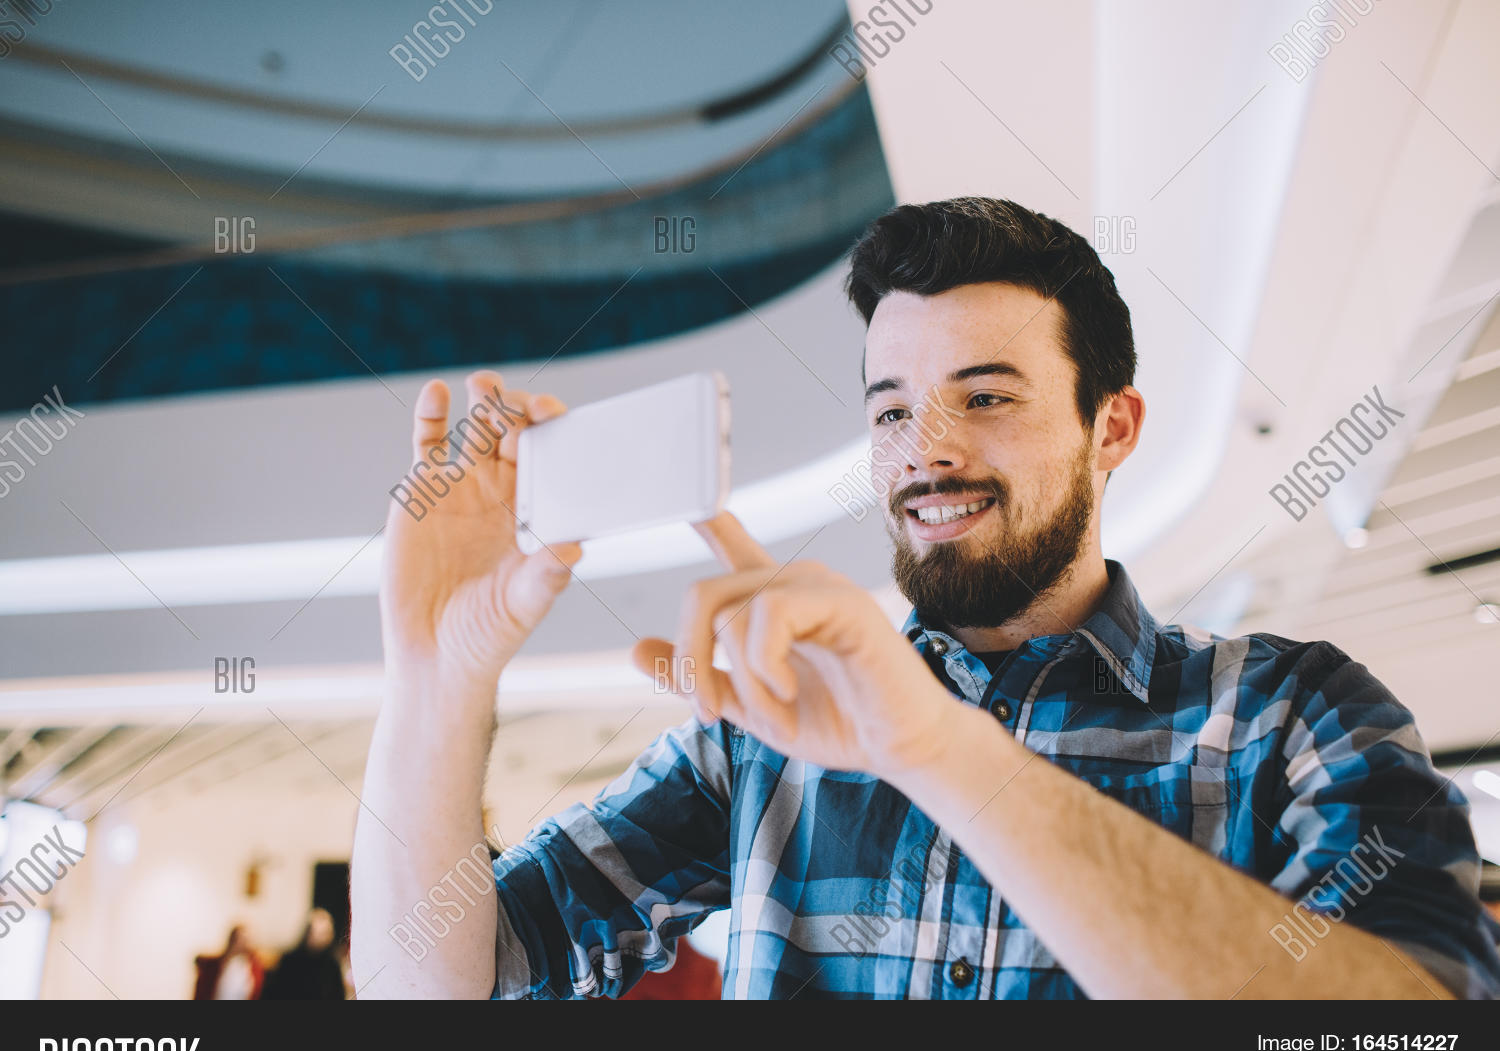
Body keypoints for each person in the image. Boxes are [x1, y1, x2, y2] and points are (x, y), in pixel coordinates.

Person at [350, 197, 1500, 999]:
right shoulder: (761, 737)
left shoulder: (1287, 717)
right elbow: (436, 988)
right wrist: (433, 678)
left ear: (1114, 427)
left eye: (986, 397)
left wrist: (942, 750)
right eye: (892, 408)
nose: (926, 451)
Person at [263, 908, 347, 1000]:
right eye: (316, 933)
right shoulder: (290, 961)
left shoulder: (332, 965)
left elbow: (338, 995)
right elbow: (274, 992)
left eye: (324, 934)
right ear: (307, 933)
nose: (319, 939)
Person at [192, 924, 264, 1000]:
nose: (241, 944)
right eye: (238, 940)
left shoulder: (253, 968)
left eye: (245, 940)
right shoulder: (216, 965)